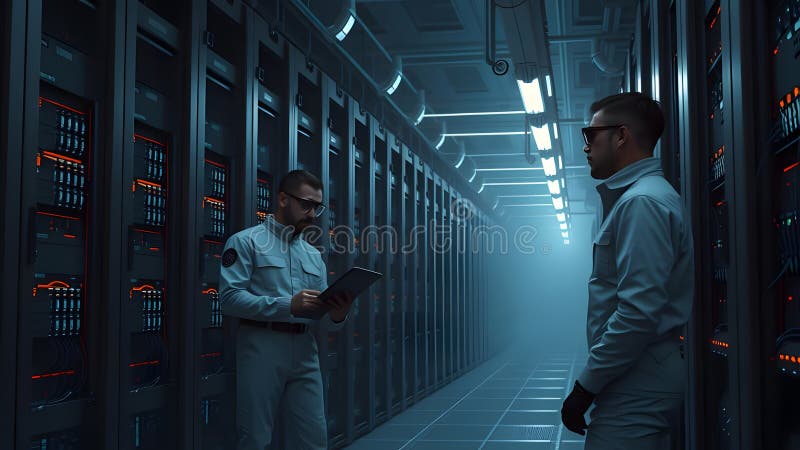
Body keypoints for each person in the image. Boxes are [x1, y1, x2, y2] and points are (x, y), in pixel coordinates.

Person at [560, 93, 694, 449]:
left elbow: (637, 312)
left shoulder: (641, 203)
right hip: (638, 374)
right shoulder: (641, 197)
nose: (586, 146)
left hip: (638, 379)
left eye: (591, 135)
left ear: (621, 136)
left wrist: (585, 386)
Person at [219, 169, 355, 450]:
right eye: (306, 204)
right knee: (255, 438)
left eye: (317, 207)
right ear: (283, 199)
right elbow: (229, 299)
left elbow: (322, 317)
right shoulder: (246, 242)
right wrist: (287, 305)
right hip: (261, 347)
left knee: (314, 439)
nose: (312, 214)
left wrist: (338, 313)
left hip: (305, 350)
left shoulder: (313, 255)